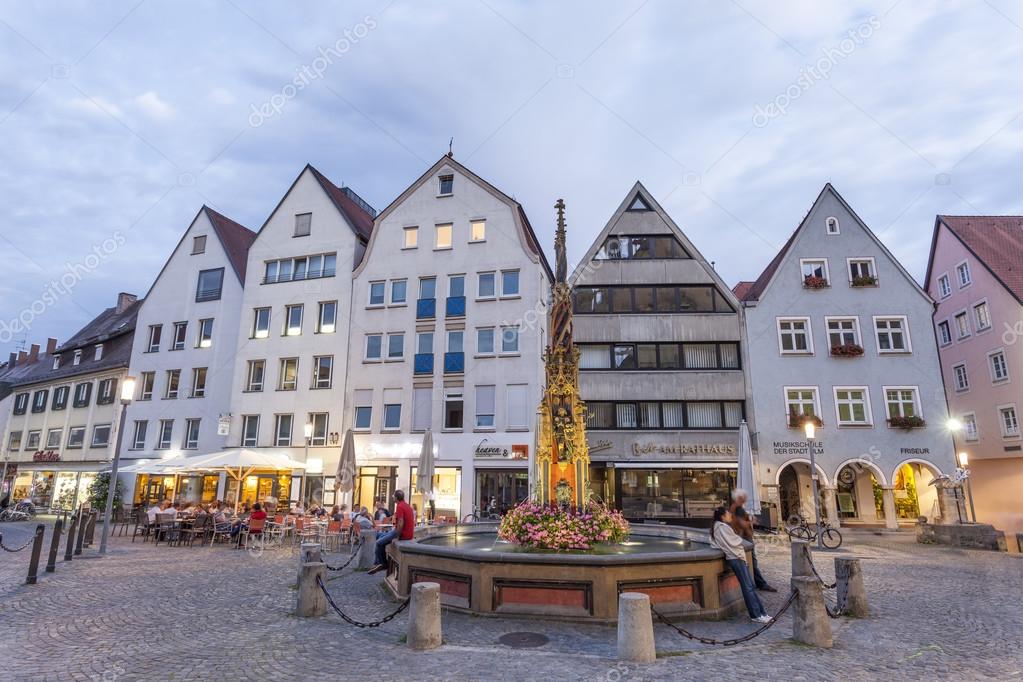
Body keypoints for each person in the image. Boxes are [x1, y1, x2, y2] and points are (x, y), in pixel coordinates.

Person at [712, 506, 771, 623]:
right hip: (736, 558)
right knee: (748, 587)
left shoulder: (719, 527)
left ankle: (762, 613)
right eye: (728, 514)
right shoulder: (722, 527)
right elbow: (735, 541)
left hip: (736, 558)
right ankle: (756, 614)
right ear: (723, 516)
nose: (730, 516)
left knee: (750, 586)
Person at [729, 489, 777, 592]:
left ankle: (756, 582)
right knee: (752, 561)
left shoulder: (735, 508)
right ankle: (760, 584)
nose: (746, 498)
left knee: (750, 561)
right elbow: (741, 524)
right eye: (744, 496)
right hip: (745, 538)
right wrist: (752, 521)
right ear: (740, 498)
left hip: (741, 538)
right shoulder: (738, 509)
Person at [368, 491, 414, 574]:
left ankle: (383, 564)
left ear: (396, 498)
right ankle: (377, 562)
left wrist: (397, 537)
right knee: (379, 535)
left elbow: (400, 523)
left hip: (402, 534)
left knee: (379, 543)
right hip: (404, 532)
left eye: (393, 496)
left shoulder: (400, 507)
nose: (392, 497)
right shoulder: (406, 505)